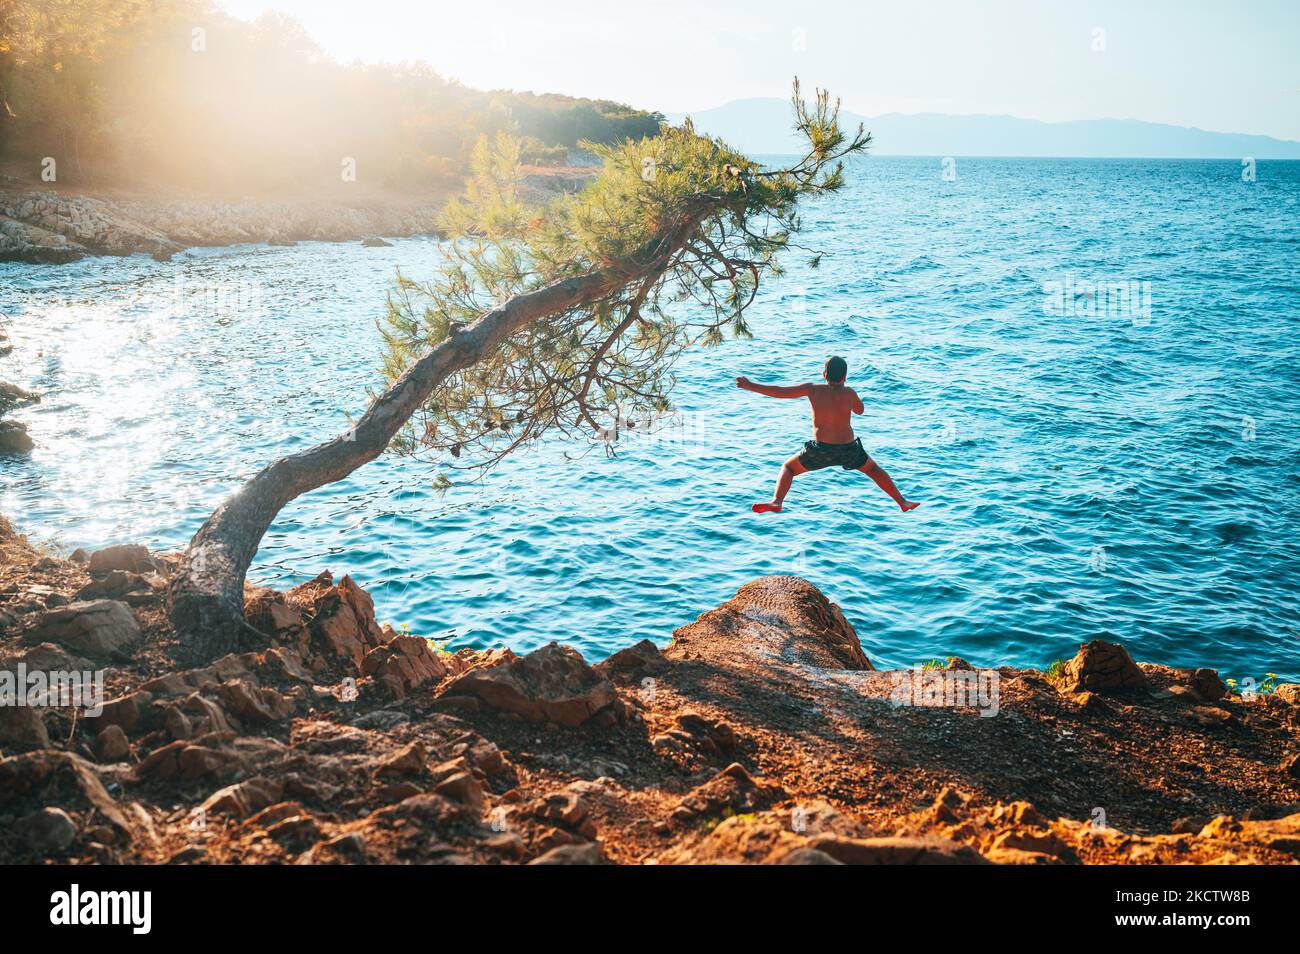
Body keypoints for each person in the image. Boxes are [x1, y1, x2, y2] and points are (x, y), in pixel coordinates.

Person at [737, 355, 921, 514]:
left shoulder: (812, 389)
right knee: (874, 470)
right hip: (848, 449)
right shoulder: (849, 392)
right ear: (845, 377)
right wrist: (851, 399)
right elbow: (860, 410)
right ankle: (902, 502)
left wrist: (750, 385)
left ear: (824, 375)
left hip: (821, 450)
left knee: (789, 468)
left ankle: (777, 501)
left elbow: (780, 392)